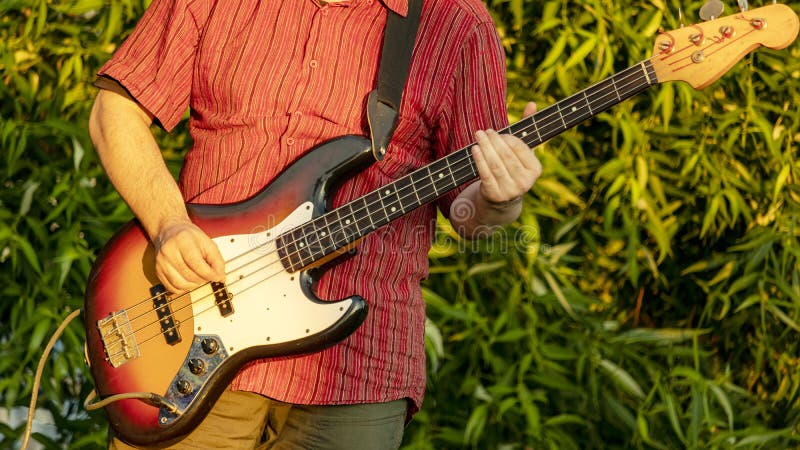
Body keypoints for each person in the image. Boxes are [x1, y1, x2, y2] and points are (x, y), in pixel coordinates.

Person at [88, 0, 542, 448]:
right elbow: (117, 110)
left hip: (357, 371)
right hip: (188, 335)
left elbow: (470, 218)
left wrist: (499, 201)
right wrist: (168, 224)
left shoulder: (457, 24)